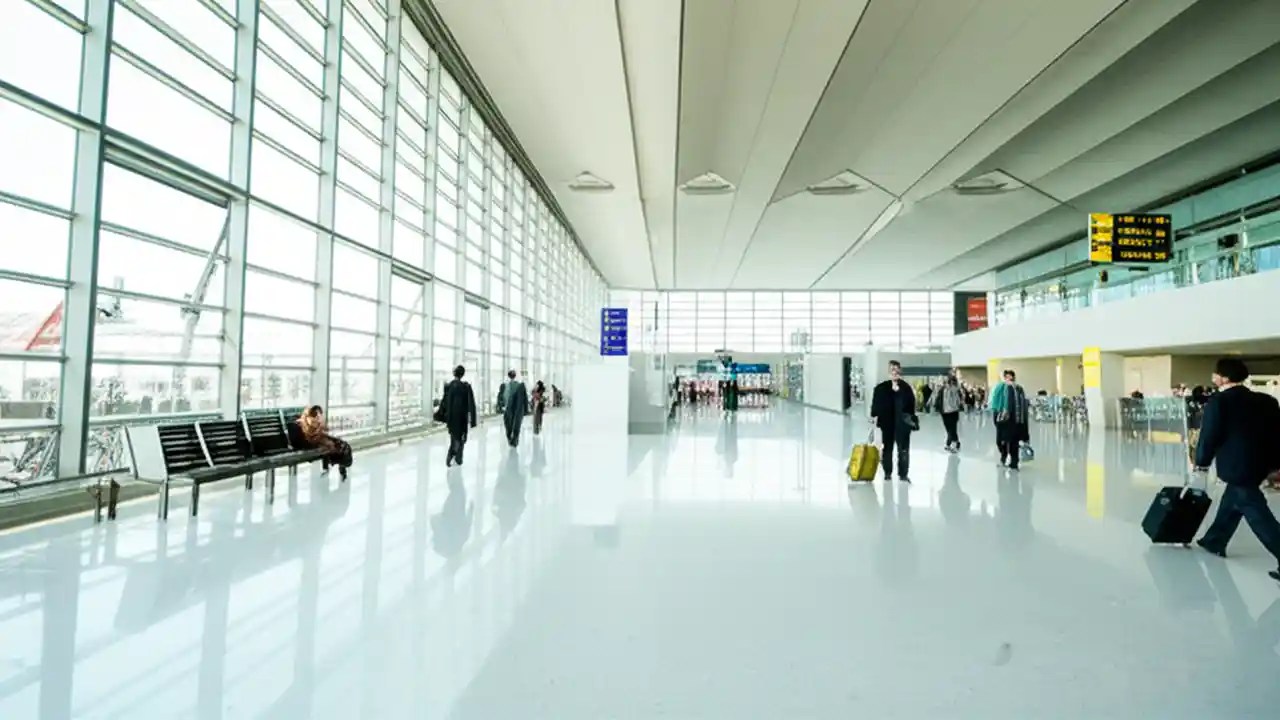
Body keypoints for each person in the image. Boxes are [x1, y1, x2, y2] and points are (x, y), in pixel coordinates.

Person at [1193, 358, 1280, 583]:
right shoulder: (1267, 401)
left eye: (1215, 373)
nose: (1213, 377)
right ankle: (1214, 540)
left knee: (1255, 510)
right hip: (1261, 463)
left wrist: (1201, 463)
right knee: (1234, 497)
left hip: (1236, 464)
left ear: (1223, 377)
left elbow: (1209, 435)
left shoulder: (1219, 401)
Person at [870, 360, 917, 482]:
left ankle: (903, 474)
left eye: (897, 370)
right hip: (887, 424)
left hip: (903, 425)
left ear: (900, 371)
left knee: (904, 450)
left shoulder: (906, 388)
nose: (895, 372)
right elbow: (875, 406)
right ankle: (887, 472)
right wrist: (874, 416)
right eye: (892, 370)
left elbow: (912, 406)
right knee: (887, 449)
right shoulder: (881, 388)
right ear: (888, 372)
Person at [297, 405, 352, 480]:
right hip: (312, 442)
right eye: (316, 417)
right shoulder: (304, 423)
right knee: (332, 446)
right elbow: (309, 437)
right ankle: (337, 465)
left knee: (343, 444)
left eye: (319, 416)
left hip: (320, 439)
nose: (318, 419)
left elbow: (323, 431)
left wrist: (328, 435)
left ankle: (342, 466)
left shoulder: (315, 422)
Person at [988, 370, 1029, 470]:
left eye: (1011, 377)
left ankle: (1014, 463)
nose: (1009, 379)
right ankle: (1004, 458)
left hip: (1015, 420)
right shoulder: (1001, 388)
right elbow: (995, 402)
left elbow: (1023, 405)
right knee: (1001, 441)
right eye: (1007, 377)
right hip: (1002, 419)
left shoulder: (1018, 389)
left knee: (1013, 443)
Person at [441, 365, 477, 467]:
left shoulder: (449, 386)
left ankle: (452, 453)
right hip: (462, 417)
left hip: (451, 417)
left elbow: (444, 402)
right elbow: (471, 404)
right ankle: (458, 457)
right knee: (462, 437)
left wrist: (443, 416)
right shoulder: (466, 387)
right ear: (463, 374)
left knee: (453, 436)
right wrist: (472, 419)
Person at [934, 374, 964, 452]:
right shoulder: (942, 389)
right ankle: (957, 442)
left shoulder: (956, 390)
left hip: (953, 412)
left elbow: (960, 400)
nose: (950, 383)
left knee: (952, 429)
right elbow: (938, 399)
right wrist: (937, 408)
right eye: (949, 382)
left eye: (952, 382)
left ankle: (950, 444)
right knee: (948, 429)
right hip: (944, 412)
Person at [502, 370, 529, 448]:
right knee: (516, 424)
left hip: (508, 408)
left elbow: (502, 397)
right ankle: (514, 439)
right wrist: (526, 410)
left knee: (508, 424)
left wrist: (502, 406)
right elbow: (525, 398)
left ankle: (511, 438)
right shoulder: (520, 386)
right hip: (517, 409)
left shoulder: (505, 386)